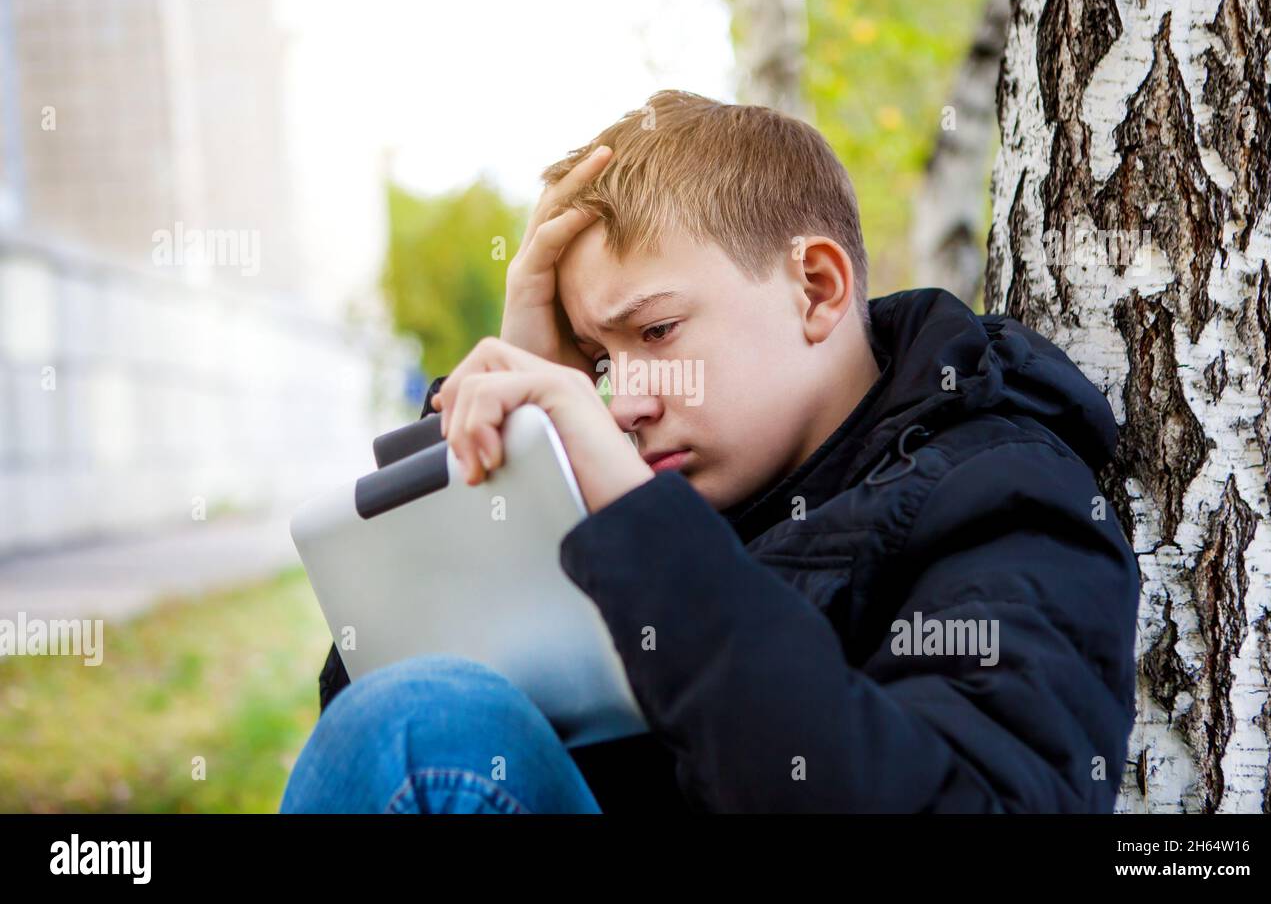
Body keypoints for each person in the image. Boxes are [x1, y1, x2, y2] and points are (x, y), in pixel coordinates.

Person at [281, 90, 1140, 814]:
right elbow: (364, 736)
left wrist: (643, 532)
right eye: (601, 361)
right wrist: (515, 466)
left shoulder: (1005, 499)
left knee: (418, 730)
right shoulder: (647, 488)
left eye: (657, 331)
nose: (626, 402)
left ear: (817, 289)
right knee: (415, 719)